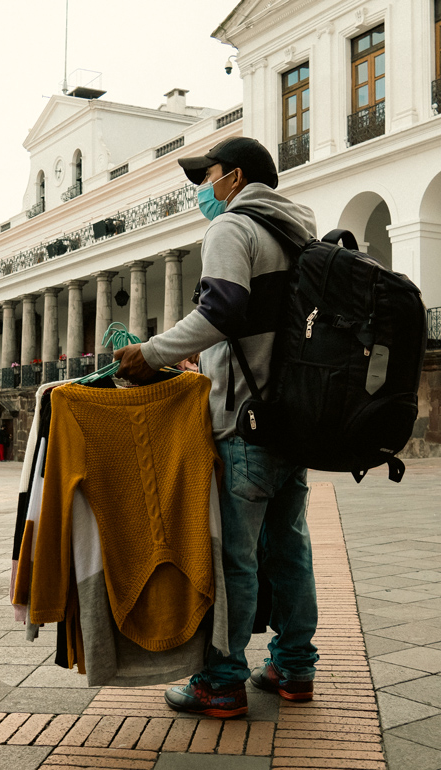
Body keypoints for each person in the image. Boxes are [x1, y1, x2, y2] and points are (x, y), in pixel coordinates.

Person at [115, 137, 318, 718]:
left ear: (234, 177)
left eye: (205, 177)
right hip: (291, 422)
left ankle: (222, 680)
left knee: (234, 558)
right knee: (289, 550)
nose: (201, 189)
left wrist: (153, 352)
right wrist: (204, 359)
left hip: (244, 426)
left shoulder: (233, 228)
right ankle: (294, 667)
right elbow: (259, 327)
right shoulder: (297, 231)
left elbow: (224, 308)